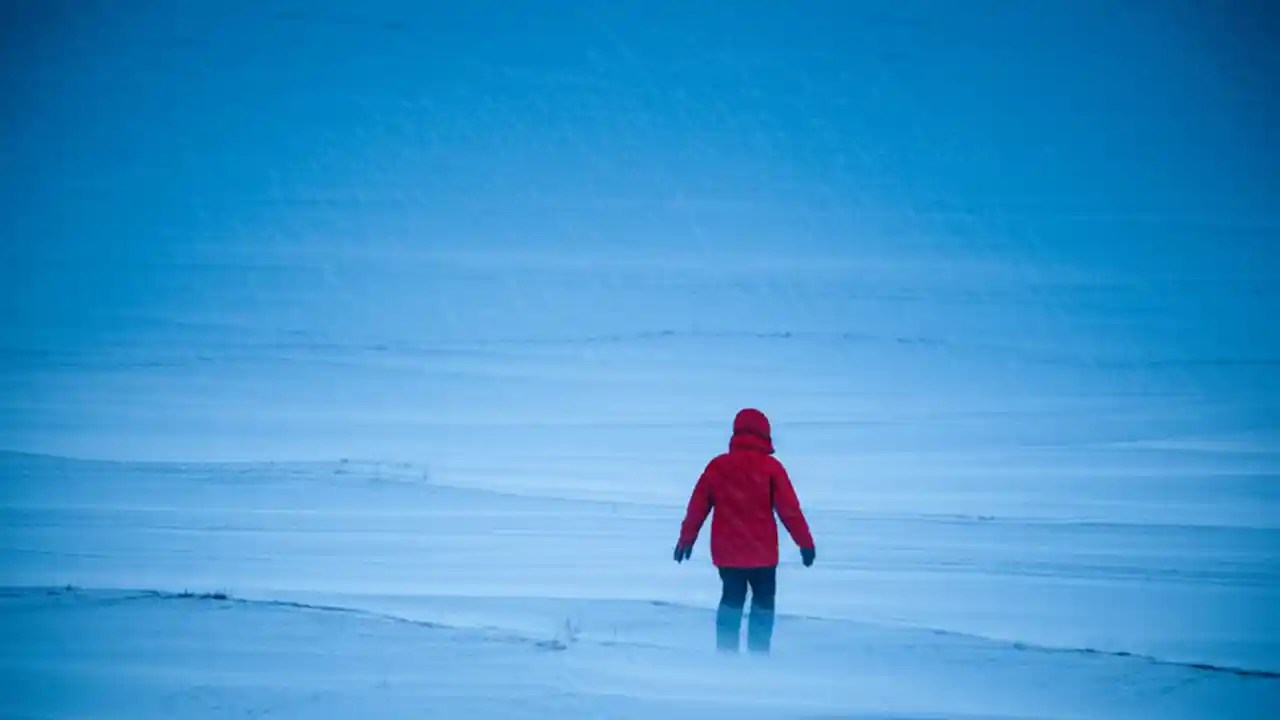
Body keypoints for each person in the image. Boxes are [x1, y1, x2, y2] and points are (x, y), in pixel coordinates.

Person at [673, 408, 816, 654]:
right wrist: (805, 543)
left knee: (731, 600)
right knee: (763, 605)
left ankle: (726, 656)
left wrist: (686, 540)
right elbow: (789, 510)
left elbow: (697, 507)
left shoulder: (718, 466)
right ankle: (758, 659)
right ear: (765, 433)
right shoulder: (771, 468)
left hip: (728, 554)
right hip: (763, 556)